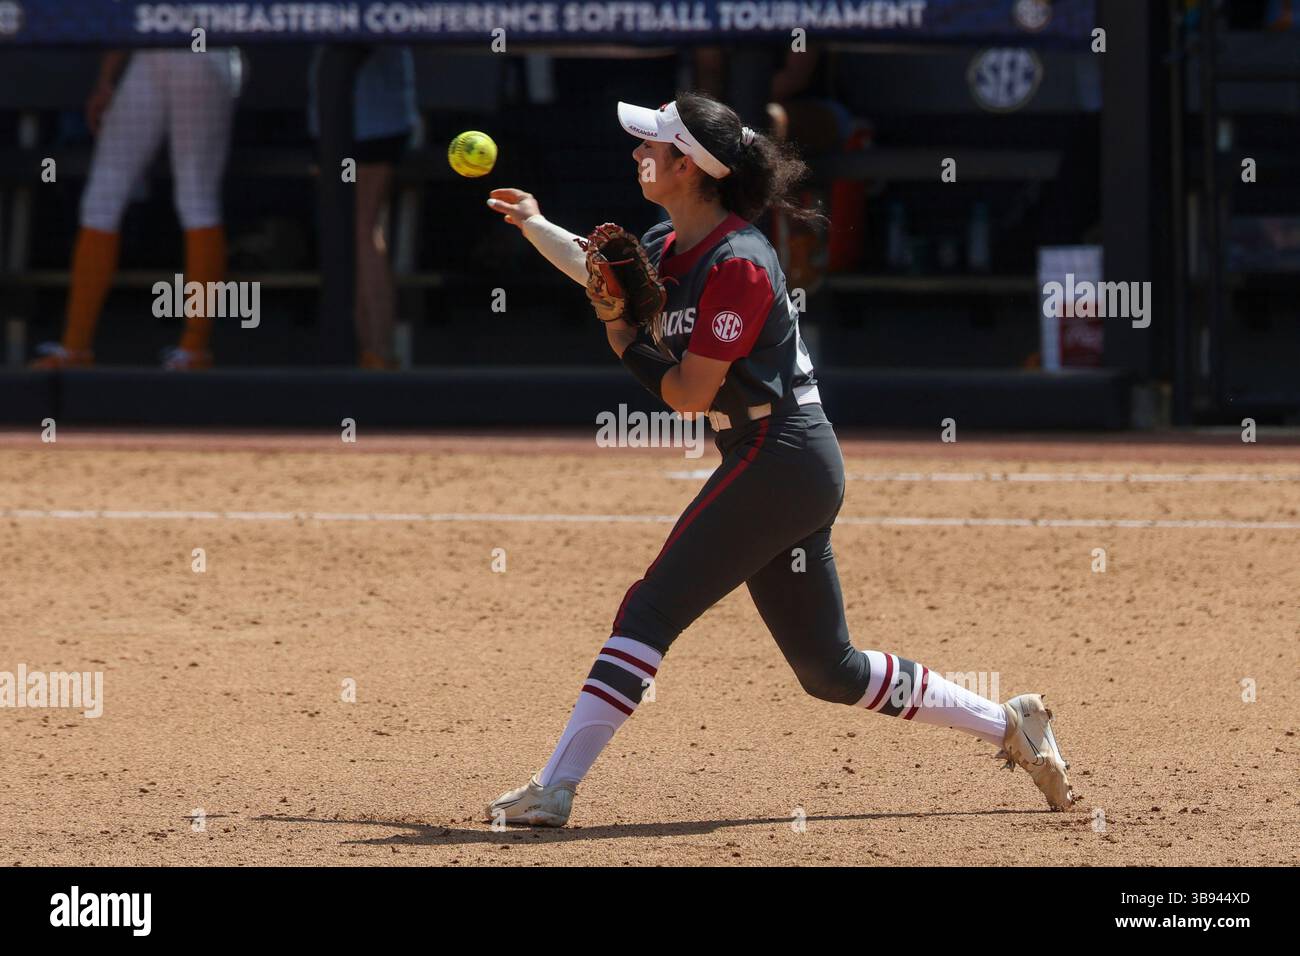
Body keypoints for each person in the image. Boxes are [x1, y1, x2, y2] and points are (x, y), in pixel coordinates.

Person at [482, 93, 1079, 826]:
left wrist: (620, 338)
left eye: (655, 145)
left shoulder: (740, 263)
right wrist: (537, 224)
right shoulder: (671, 243)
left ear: (692, 168)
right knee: (831, 670)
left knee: (650, 607)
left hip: (781, 454)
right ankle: (1012, 725)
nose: (639, 152)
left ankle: (556, 786)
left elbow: (689, 394)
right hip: (778, 461)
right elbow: (604, 273)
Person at [32, 48, 238, 370]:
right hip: (151, 52)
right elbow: (128, 12)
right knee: (102, 197)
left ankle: (195, 348)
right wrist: (106, 79)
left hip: (205, 49)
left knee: (197, 199)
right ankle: (75, 347)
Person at [308, 45, 418, 370]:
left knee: (362, 229)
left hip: (373, 121)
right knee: (352, 228)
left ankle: (378, 353)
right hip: (331, 115)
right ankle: (366, 353)